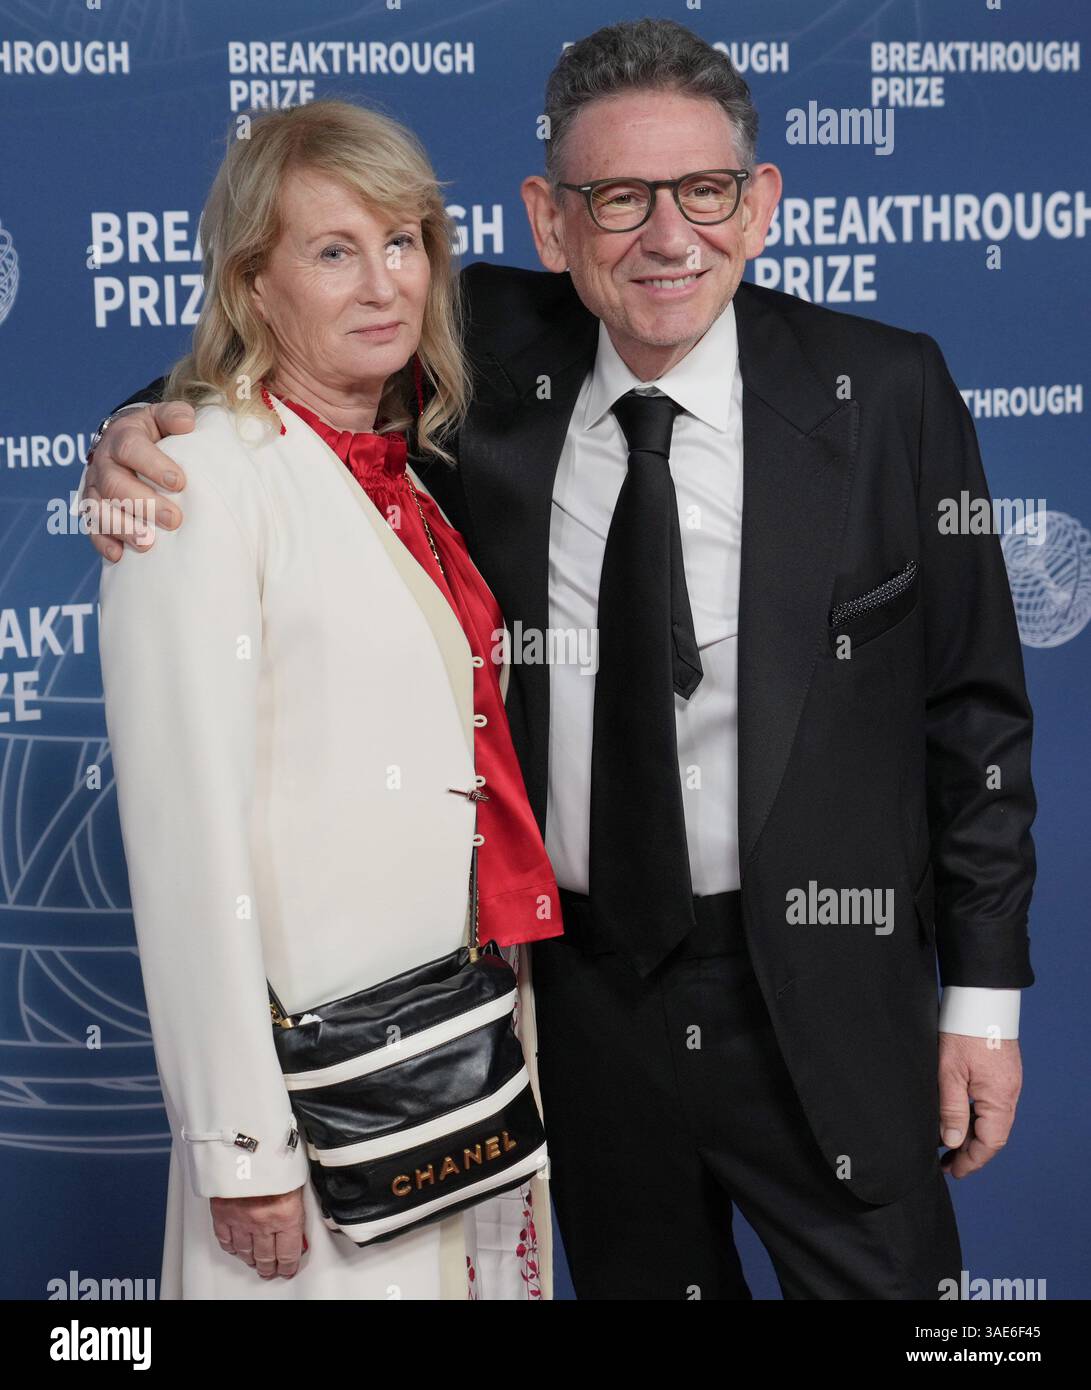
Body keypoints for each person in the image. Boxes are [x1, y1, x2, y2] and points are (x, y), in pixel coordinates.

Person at [85, 20, 1036, 1300]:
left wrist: (981, 996)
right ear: (548, 220)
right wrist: (142, 424)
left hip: (819, 990)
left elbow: (971, 716)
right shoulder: (486, 355)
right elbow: (283, 375)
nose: (665, 237)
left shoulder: (884, 390)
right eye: (616, 199)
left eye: (702, 191)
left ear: (757, 205)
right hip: (568, 1010)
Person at [94, 100, 561, 1301]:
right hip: (315, 1103)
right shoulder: (191, 476)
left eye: (403, 243)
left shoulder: (411, 471)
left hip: (459, 1059)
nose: (383, 283)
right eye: (333, 250)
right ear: (254, 284)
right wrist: (237, 1143)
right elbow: (183, 836)